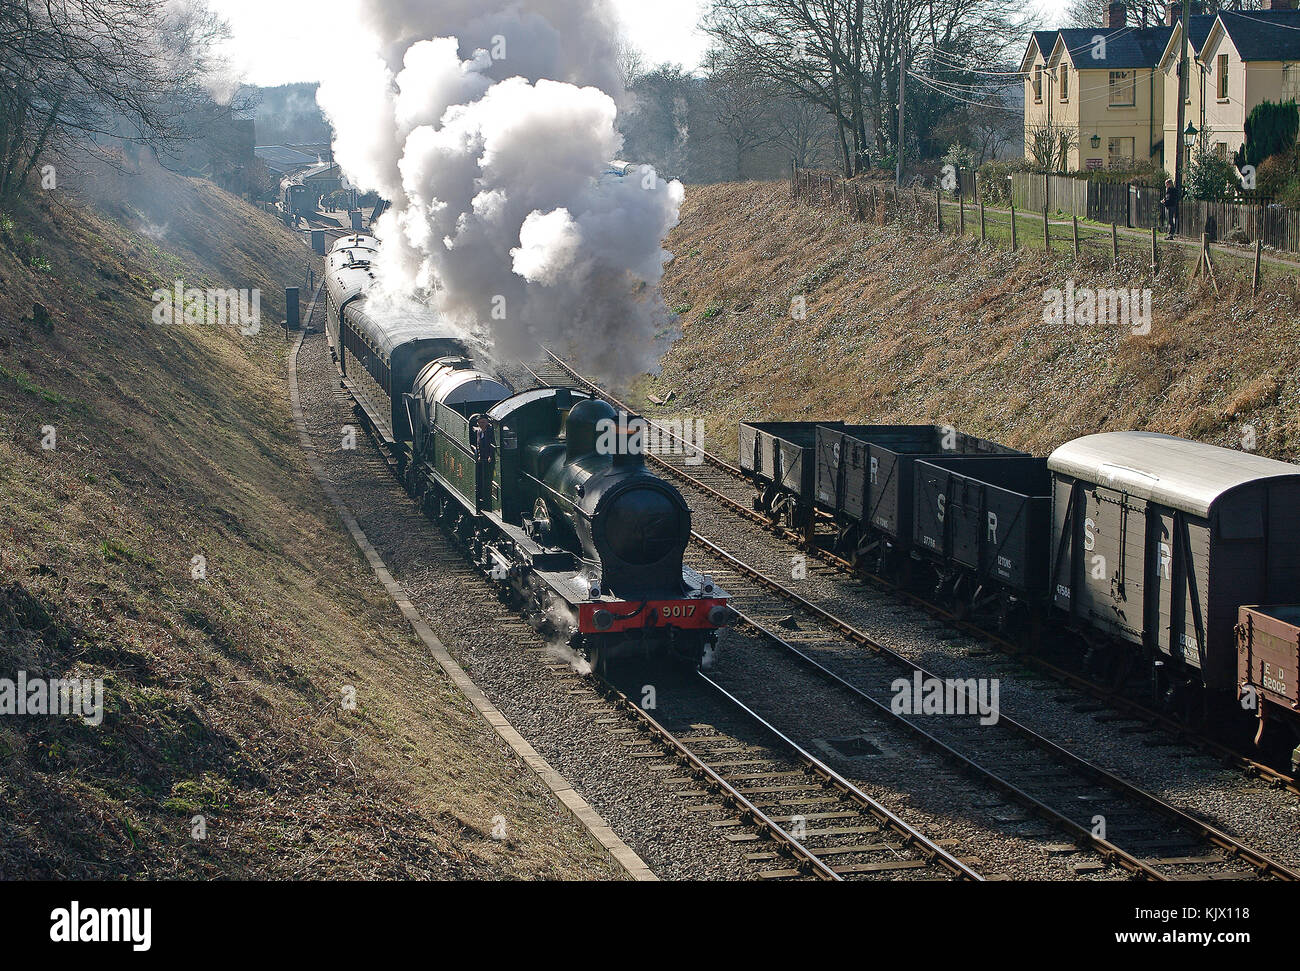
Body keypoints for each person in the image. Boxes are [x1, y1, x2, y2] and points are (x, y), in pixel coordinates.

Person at [472, 415, 495, 511]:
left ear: (487, 422)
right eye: (480, 423)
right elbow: (478, 445)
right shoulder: (479, 432)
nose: (482, 424)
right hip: (483, 458)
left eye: (483, 422)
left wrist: (490, 455)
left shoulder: (491, 431)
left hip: (489, 458)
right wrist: (480, 455)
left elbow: (492, 444)